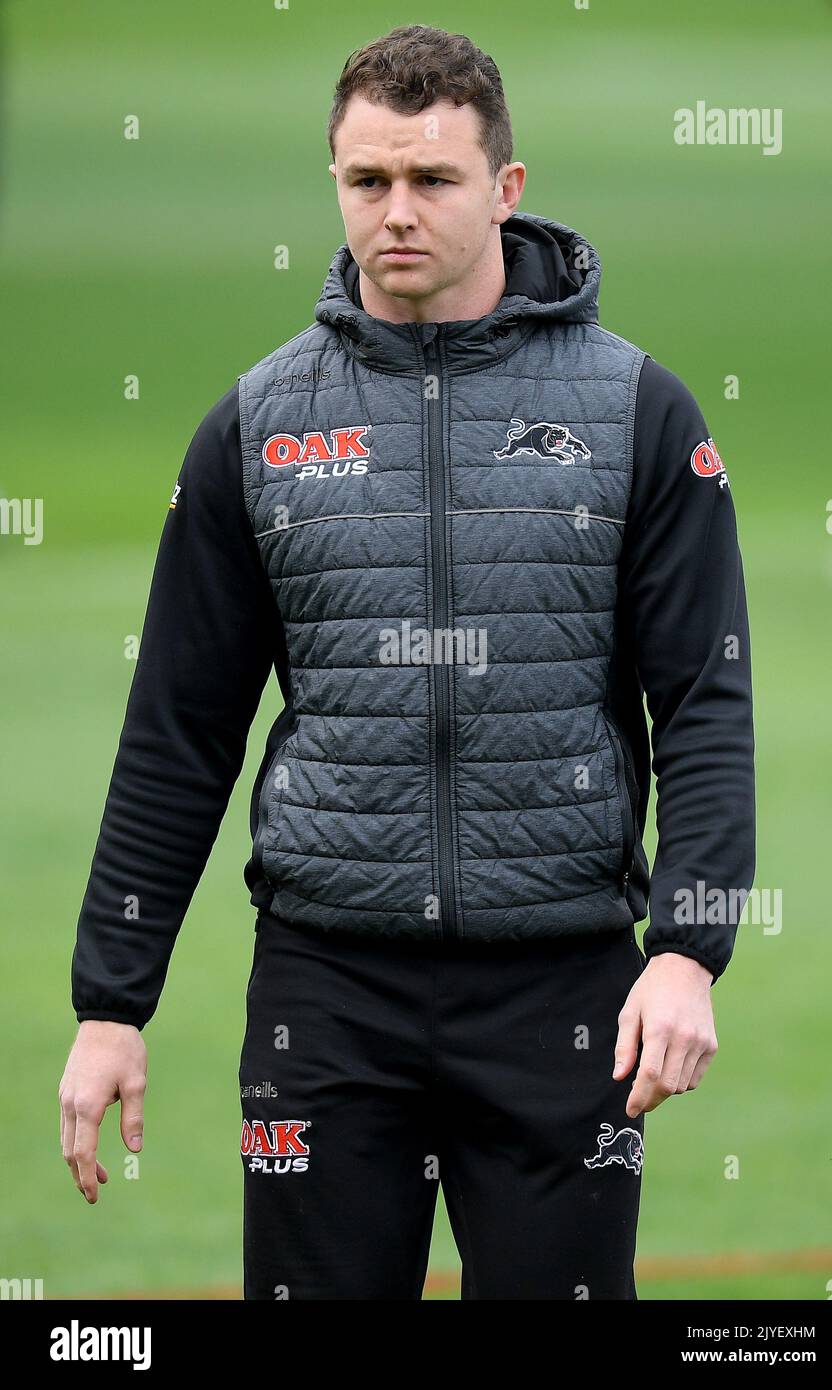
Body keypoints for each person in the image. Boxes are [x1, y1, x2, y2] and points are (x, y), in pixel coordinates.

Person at [60, 24, 756, 1300]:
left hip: (563, 992)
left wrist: (686, 947)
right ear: (333, 181)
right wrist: (113, 999)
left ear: (505, 188)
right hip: (326, 998)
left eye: (431, 181)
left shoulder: (639, 413)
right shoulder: (257, 427)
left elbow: (704, 695)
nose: (396, 212)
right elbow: (178, 728)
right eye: (365, 180)